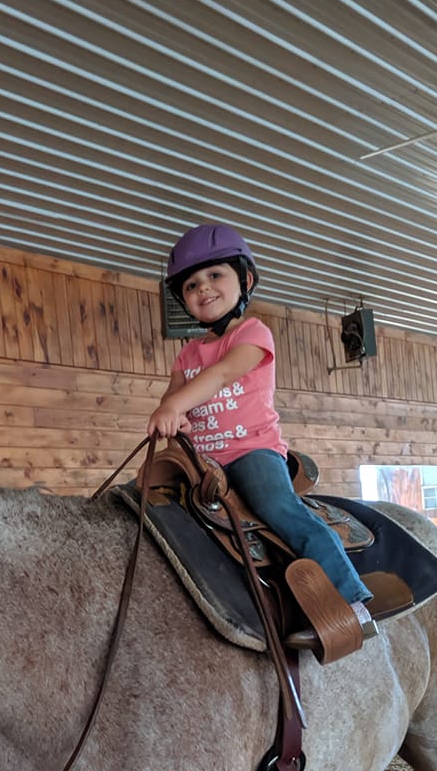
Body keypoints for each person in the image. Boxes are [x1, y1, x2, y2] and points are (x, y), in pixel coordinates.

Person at [147, 223, 376, 647]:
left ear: (244, 279)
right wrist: (171, 413)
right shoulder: (186, 352)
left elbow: (223, 373)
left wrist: (175, 406)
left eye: (215, 275)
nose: (204, 288)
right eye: (192, 284)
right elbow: (174, 392)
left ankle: (351, 600)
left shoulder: (252, 334)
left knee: (278, 508)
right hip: (204, 461)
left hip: (251, 451)